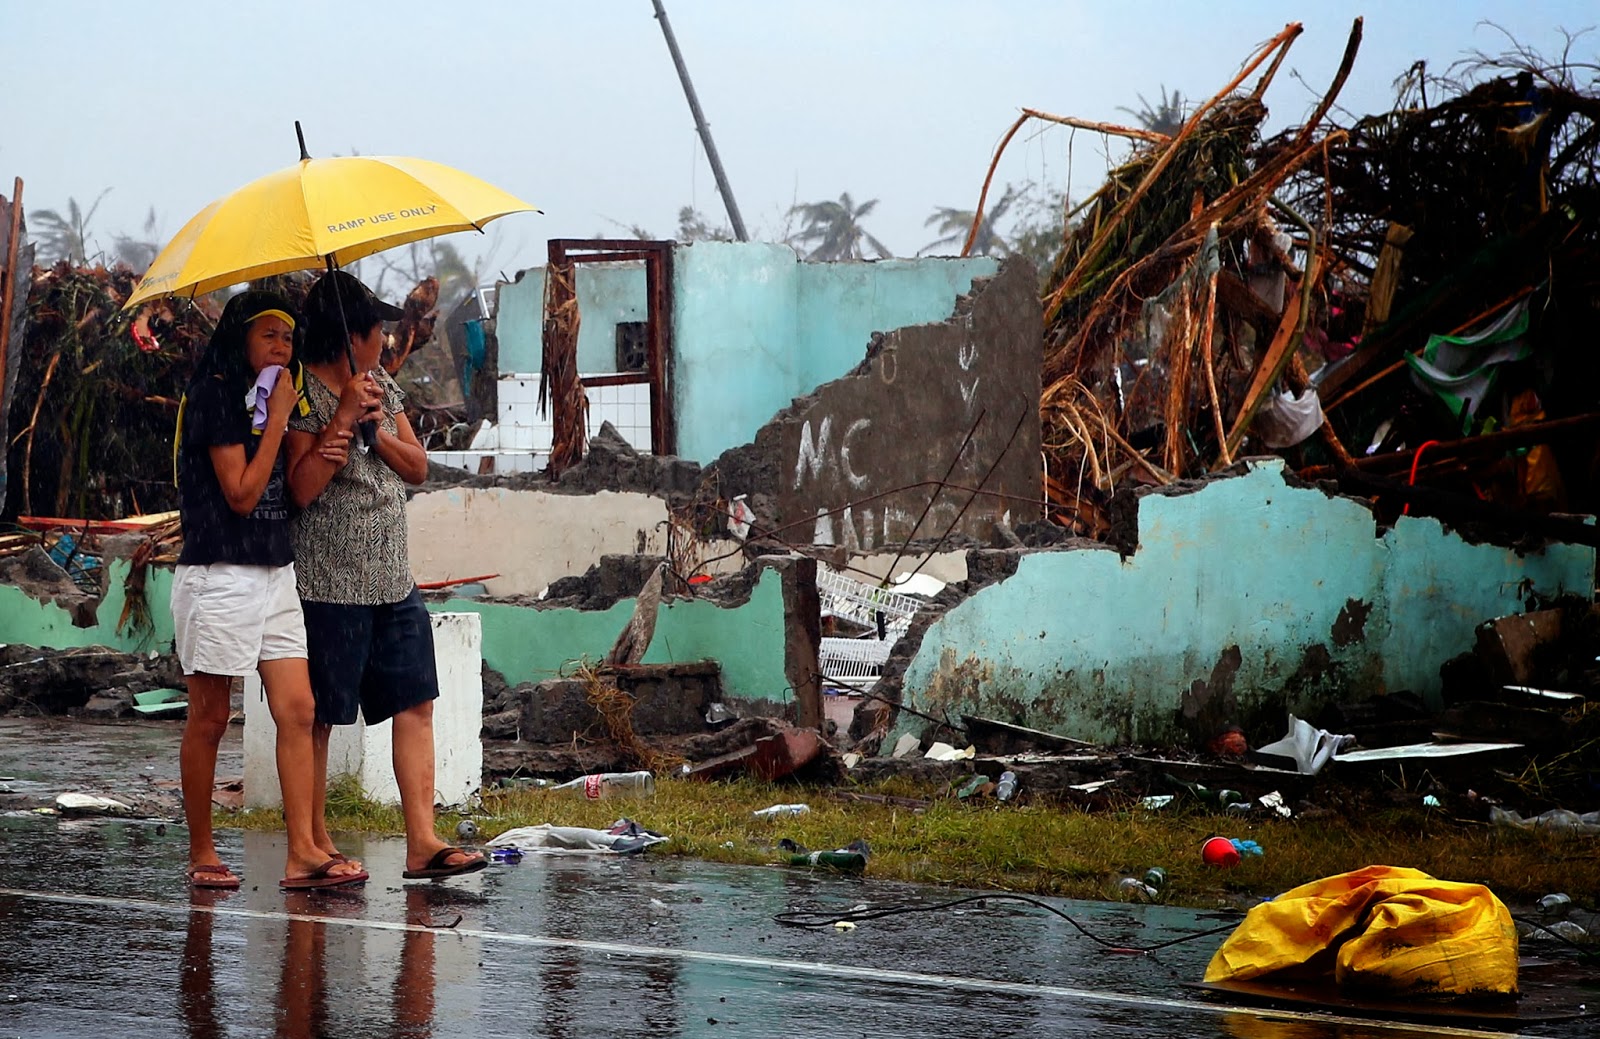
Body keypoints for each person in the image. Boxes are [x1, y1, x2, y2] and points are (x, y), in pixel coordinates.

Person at [287, 270, 486, 881]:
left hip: (393, 579)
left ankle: (422, 841)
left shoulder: (380, 387)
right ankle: (316, 844)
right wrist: (342, 421)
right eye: (377, 330)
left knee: (414, 702)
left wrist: (373, 430)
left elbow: (418, 466)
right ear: (353, 334)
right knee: (322, 716)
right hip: (330, 582)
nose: (383, 340)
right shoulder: (300, 398)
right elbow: (300, 488)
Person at [171, 289, 368, 891]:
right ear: (240, 339)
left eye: (288, 337)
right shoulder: (214, 397)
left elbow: (288, 486)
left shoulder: (274, 397)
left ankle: (303, 850)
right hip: (220, 572)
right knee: (209, 716)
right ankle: (203, 851)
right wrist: (279, 419)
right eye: (268, 336)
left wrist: (325, 426)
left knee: (299, 708)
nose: (282, 347)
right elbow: (242, 495)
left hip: (274, 568)